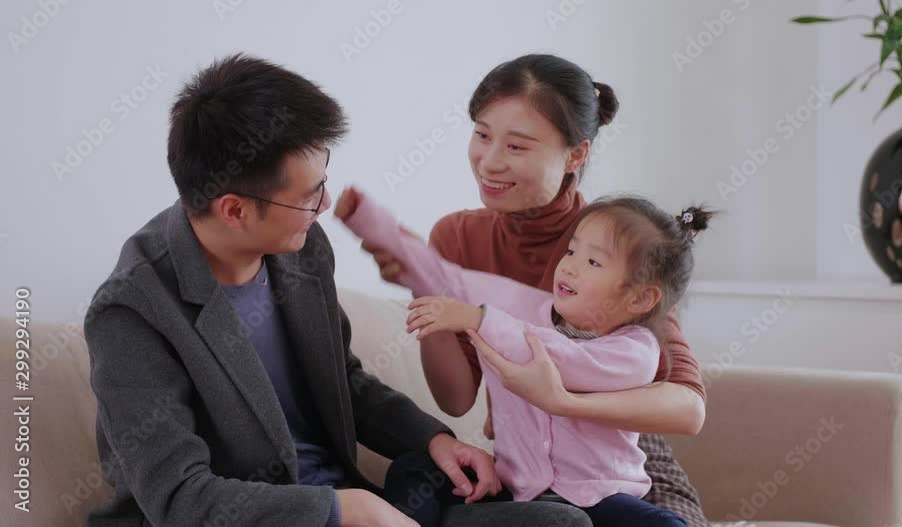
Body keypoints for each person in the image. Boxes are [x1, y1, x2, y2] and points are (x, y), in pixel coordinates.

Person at [84, 53, 592, 527]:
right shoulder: (132, 310)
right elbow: (179, 499)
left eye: (323, 182)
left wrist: (433, 438)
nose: (325, 206)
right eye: (309, 197)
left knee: (563, 522)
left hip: (359, 506)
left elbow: (340, 379)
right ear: (235, 209)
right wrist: (341, 509)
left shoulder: (300, 248)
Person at [362, 53, 711, 527]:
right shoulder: (458, 238)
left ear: (575, 154)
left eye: (518, 146)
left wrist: (562, 402)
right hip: (527, 467)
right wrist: (429, 293)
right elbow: (457, 399)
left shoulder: (613, 246)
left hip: (623, 468)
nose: (490, 161)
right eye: (482, 135)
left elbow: (688, 407)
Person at [338, 187, 712, 527]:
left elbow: (556, 357)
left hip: (599, 499)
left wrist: (476, 317)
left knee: (662, 525)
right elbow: (453, 281)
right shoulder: (527, 308)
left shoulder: (636, 351)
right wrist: (375, 225)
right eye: (571, 250)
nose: (569, 265)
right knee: (416, 468)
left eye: (593, 262)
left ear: (639, 299)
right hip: (513, 486)